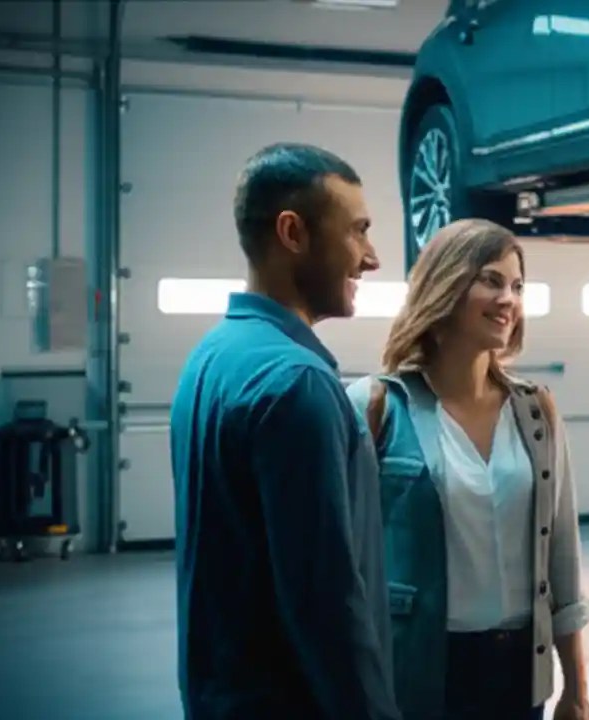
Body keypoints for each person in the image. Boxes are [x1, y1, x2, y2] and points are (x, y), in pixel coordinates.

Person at [169, 142, 400, 719]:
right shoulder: (298, 384)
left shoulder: (212, 357)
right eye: (358, 231)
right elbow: (326, 601)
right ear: (293, 232)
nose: (371, 258)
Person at [345, 218, 589, 720]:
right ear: (446, 285)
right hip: (418, 666)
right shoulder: (376, 405)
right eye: (491, 280)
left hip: (519, 670)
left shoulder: (535, 411)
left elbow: (562, 558)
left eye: (517, 286)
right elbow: (344, 562)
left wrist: (576, 687)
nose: (509, 299)